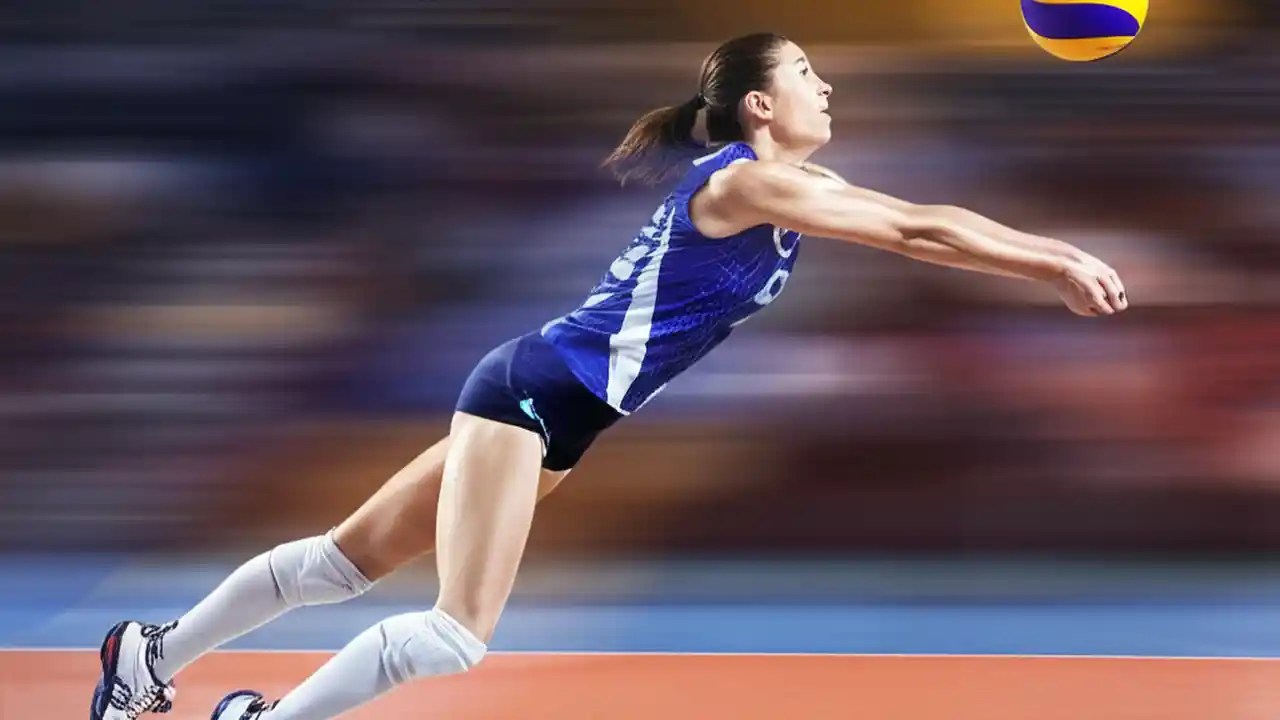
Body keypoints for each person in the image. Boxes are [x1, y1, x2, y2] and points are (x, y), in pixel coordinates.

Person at [89, 32, 1127, 720]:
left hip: (550, 408)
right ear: (761, 105)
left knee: (344, 565)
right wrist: (1056, 259)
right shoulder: (749, 184)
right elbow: (913, 228)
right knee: (455, 634)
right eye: (807, 72)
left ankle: (150, 654)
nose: (828, 84)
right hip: (534, 394)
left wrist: (1036, 263)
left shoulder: (798, 186)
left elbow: (922, 234)